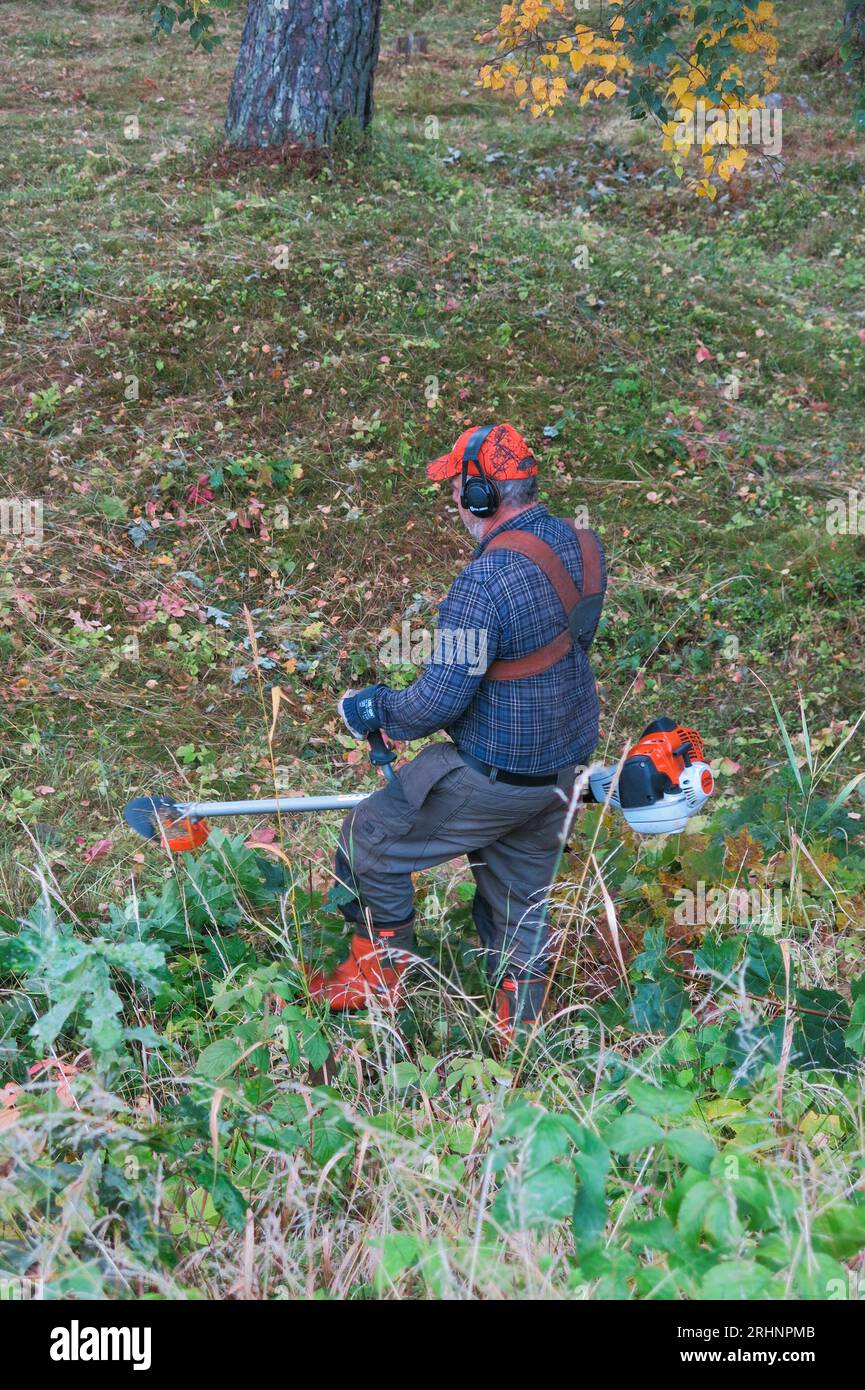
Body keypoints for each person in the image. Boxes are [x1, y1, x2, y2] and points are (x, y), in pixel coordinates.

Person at [308, 423, 607, 1042]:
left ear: (480, 496)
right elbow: (571, 639)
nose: (452, 500)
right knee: (521, 900)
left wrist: (375, 710)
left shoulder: (484, 582)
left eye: (457, 488)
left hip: (492, 776)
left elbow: (435, 704)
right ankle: (519, 1031)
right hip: (564, 771)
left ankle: (380, 974)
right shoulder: (580, 544)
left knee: (370, 838)